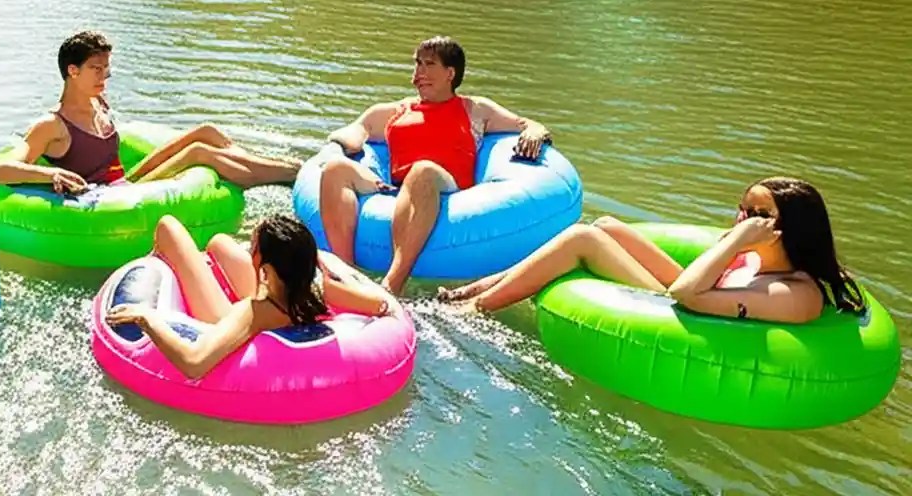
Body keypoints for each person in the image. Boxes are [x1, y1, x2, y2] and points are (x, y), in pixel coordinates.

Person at [438, 177, 865, 323]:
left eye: (756, 213)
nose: (742, 219)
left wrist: (736, 240)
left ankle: (476, 308)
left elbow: (687, 294)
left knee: (583, 240)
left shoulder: (799, 294)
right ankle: (474, 288)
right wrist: (739, 242)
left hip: (679, 312)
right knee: (605, 226)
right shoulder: (757, 255)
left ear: (784, 228)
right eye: (742, 208)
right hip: (683, 294)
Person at [318, 36, 553, 295]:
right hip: (394, 189)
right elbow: (357, 129)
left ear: (450, 73)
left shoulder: (475, 109)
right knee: (334, 170)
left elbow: (525, 124)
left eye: (428, 65)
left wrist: (535, 130)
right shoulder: (398, 110)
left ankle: (392, 284)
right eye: (417, 64)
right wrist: (346, 143)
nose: (418, 73)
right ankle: (347, 275)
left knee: (423, 170)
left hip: (447, 188)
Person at [0, 30, 300, 193]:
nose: (105, 76)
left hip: (124, 179)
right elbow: (3, 172)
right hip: (109, 196)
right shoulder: (52, 125)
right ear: (72, 71)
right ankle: (286, 177)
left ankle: (274, 165)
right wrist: (52, 174)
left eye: (106, 68)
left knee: (206, 131)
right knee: (198, 152)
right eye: (96, 69)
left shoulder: (98, 101)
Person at [105, 214, 398, 380]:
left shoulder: (251, 312)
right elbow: (380, 305)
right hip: (284, 304)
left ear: (266, 269)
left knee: (168, 227)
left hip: (224, 321)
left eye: (253, 249)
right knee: (219, 243)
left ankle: (157, 258)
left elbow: (193, 364)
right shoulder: (315, 291)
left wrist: (147, 318)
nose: (250, 253)